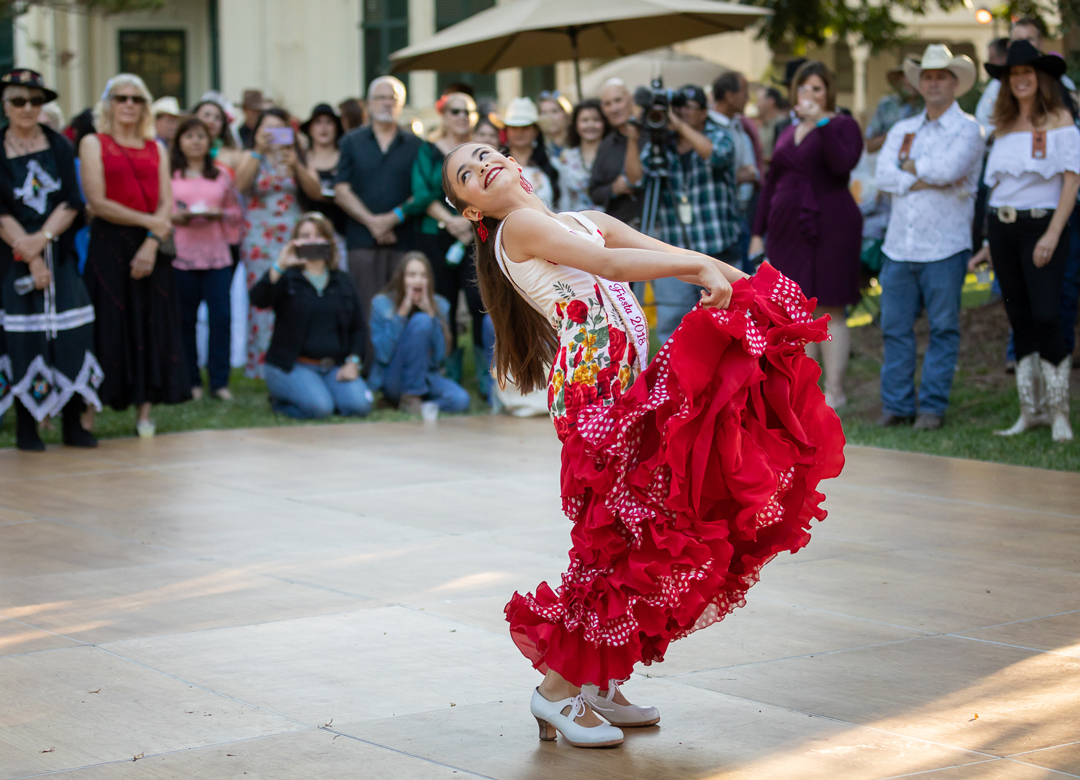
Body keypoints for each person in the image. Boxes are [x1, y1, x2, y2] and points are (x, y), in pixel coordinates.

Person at [441, 141, 844, 748]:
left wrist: (752, 291)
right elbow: (613, 269)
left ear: (513, 158)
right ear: (474, 210)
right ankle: (555, 691)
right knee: (615, 547)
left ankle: (598, 679)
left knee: (639, 536)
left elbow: (672, 256)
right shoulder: (518, 227)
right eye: (466, 176)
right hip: (594, 401)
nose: (481, 167)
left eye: (482, 153)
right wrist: (701, 270)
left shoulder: (588, 220)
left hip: (628, 392)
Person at [875, 45, 984, 431]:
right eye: (927, 76)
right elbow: (882, 176)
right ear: (919, 83)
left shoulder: (969, 128)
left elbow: (952, 169)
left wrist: (910, 172)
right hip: (899, 247)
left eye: (941, 76)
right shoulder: (903, 128)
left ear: (955, 83)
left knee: (943, 328)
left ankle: (932, 408)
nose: (933, 82)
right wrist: (923, 177)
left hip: (945, 246)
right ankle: (898, 406)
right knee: (895, 328)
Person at [80, 74, 189, 437]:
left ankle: (144, 413)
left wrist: (151, 241)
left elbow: (167, 200)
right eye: (120, 97)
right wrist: (153, 225)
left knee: (151, 321)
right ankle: (88, 413)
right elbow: (97, 202)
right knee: (106, 324)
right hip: (109, 242)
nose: (128, 104)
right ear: (108, 103)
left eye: (136, 99)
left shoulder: (156, 147)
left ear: (145, 106)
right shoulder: (93, 143)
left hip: (151, 244)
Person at [750, 61, 863, 410]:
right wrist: (758, 231)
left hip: (830, 225)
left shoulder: (843, 125)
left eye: (817, 89)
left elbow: (842, 164)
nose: (809, 96)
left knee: (829, 306)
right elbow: (771, 183)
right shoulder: (787, 129)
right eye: (803, 89)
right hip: (787, 231)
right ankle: (806, 388)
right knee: (796, 309)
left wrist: (821, 124)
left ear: (828, 91)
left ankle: (835, 389)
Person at [983, 41, 1079, 443]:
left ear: (1040, 78)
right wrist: (987, 241)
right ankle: (1030, 410)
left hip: (1041, 227)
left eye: (1027, 73)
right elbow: (995, 185)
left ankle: (1059, 413)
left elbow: (1072, 178)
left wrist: (1054, 233)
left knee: (1046, 315)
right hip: (1001, 227)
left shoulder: (1059, 119)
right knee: (1018, 317)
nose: (1020, 80)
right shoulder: (1002, 124)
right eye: (1013, 75)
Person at [0, 68, 100, 451]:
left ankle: (73, 423)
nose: (28, 108)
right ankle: (27, 426)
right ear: (5, 105)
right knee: (24, 337)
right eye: (19, 101)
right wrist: (28, 254)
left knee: (71, 334)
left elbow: (72, 202)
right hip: (13, 256)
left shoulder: (59, 146)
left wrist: (41, 241)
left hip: (59, 255)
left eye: (36, 101)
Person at [625, 84, 742, 342]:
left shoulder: (718, 135)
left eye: (689, 109)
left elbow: (717, 155)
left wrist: (678, 126)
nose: (682, 114)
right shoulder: (661, 144)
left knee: (726, 322)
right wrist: (634, 138)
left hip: (717, 246)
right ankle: (676, 375)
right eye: (677, 109)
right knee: (673, 323)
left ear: (703, 112)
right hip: (674, 252)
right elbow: (635, 179)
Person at [334, 76, 422, 368]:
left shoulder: (415, 145)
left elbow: (421, 193)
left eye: (393, 98)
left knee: (401, 306)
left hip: (403, 240)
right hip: (361, 240)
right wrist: (373, 222)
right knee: (365, 306)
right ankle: (367, 371)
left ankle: (400, 374)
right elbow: (341, 189)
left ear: (400, 105)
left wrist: (392, 220)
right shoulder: (351, 141)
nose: (387, 103)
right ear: (369, 104)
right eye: (380, 97)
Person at [249, 212, 373, 419]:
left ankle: (324, 393)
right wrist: (280, 264)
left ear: (329, 241)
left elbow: (358, 327)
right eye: (305, 236)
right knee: (320, 409)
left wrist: (353, 362)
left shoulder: (343, 281)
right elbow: (258, 299)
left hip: (333, 366)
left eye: (318, 235)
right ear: (295, 242)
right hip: (292, 365)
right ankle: (283, 400)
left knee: (360, 406)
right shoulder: (287, 277)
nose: (311, 240)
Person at [402, 92, 483, 384]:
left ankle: (489, 377)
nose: (461, 116)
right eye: (455, 111)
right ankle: (447, 372)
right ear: (444, 115)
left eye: (468, 111)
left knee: (480, 301)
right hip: (435, 236)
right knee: (441, 302)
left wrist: (468, 222)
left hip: (476, 237)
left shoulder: (481, 150)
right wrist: (450, 221)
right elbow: (422, 191)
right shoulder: (428, 150)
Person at [235, 106, 320, 378]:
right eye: (266, 128)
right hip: (258, 237)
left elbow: (315, 191)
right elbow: (239, 185)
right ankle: (260, 365)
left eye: (277, 128)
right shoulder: (250, 156)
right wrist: (259, 151)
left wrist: (294, 163)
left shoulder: (296, 157)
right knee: (263, 297)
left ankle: (294, 357)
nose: (272, 134)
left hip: (292, 235)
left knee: (294, 296)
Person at [169, 116, 242, 402]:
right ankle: (191, 381)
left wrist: (219, 214)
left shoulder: (222, 175)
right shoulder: (170, 176)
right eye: (189, 136)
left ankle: (219, 382)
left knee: (221, 318)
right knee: (184, 321)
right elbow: (161, 210)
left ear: (209, 142)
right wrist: (176, 217)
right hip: (182, 256)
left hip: (217, 256)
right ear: (180, 142)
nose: (195, 142)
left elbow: (236, 213)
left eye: (201, 136)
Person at [369, 251, 471, 415]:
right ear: (401, 278)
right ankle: (411, 395)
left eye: (423, 275)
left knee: (460, 400)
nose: (418, 280)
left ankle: (416, 406)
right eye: (411, 275)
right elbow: (383, 354)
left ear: (429, 280)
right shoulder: (382, 304)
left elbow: (440, 356)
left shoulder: (440, 305)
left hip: (427, 376)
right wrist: (402, 312)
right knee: (421, 321)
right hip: (394, 376)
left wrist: (432, 315)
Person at [710, 72, 761, 267]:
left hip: (740, 216)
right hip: (719, 220)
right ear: (729, 95)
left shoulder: (738, 124)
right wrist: (735, 177)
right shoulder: (710, 127)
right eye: (744, 93)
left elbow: (751, 170)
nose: (747, 98)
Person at [589, 79, 641, 227]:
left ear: (630, 100)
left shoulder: (650, 134)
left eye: (618, 100)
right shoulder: (606, 145)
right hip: (622, 228)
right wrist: (614, 189)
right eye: (607, 104)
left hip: (658, 226)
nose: (614, 108)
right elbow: (594, 192)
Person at [300, 103, 348, 240]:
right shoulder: (300, 160)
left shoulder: (346, 158)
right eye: (318, 122)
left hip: (341, 231)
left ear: (336, 127)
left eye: (329, 122)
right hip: (308, 233)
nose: (323, 128)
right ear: (310, 128)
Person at [554, 98, 609, 212]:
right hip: (576, 223)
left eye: (596, 119)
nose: (590, 125)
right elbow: (565, 197)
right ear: (576, 124)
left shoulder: (613, 154)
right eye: (584, 120)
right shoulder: (566, 157)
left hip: (611, 222)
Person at [503, 98, 559, 208]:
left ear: (535, 131)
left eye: (525, 127)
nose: (519, 133)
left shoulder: (552, 165)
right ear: (507, 131)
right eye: (514, 127)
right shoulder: (497, 165)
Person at [864, 69, 924, 153]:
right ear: (899, 79)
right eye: (907, 77)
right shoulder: (886, 104)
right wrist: (894, 135)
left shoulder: (928, 106)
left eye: (916, 77)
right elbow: (870, 146)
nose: (910, 82)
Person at [975, 37, 1011, 137]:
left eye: (992, 57)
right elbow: (982, 122)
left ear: (1004, 57)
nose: (990, 61)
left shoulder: (995, 87)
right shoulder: (995, 87)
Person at [754, 86, 789, 165]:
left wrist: (757, 157)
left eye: (759, 101)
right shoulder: (762, 125)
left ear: (770, 101)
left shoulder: (783, 126)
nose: (756, 105)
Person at [537, 90, 572, 158]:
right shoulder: (536, 147)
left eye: (554, 111)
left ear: (566, 114)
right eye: (544, 113)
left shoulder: (577, 143)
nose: (549, 117)